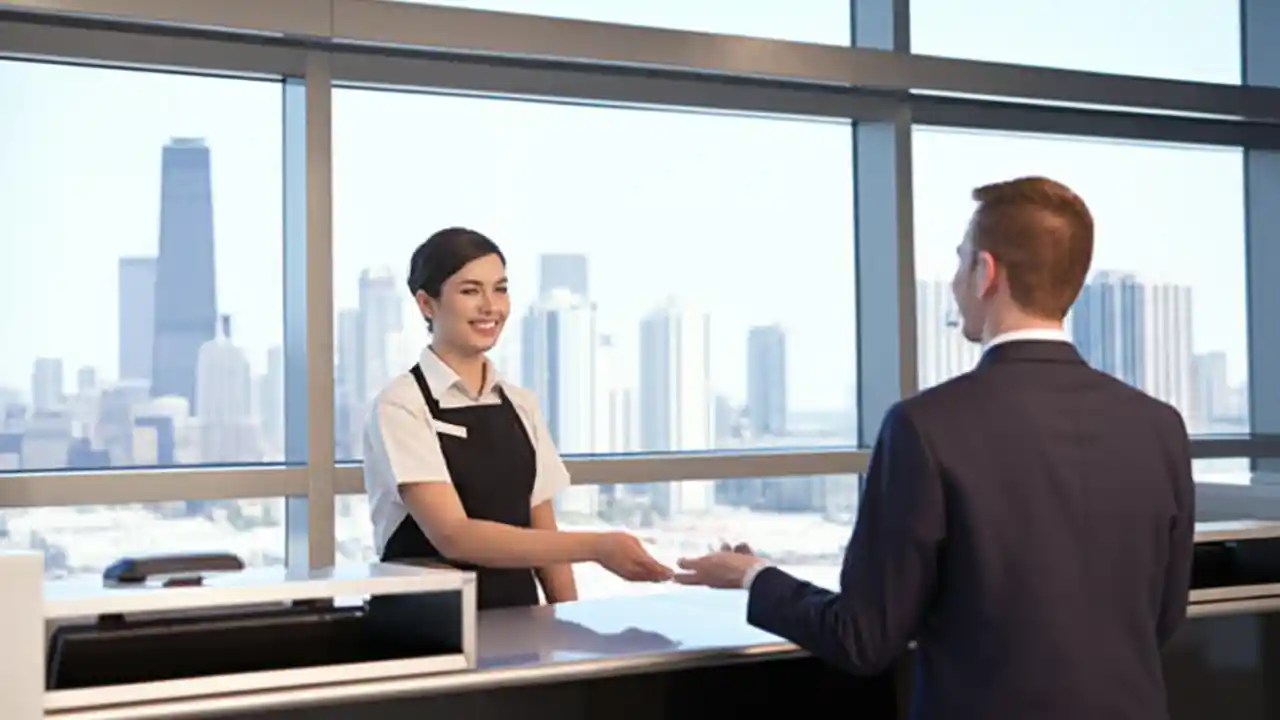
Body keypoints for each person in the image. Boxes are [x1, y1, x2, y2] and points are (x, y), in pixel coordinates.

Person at [674, 177, 1195, 719]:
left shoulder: (925, 428)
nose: (954, 281)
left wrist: (752, 577)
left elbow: (864, 637)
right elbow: (1161, 616)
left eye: (961, 261)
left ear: (986, 272)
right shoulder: (1159, 427)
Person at [363, 227, 672, 610]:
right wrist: (597, 546)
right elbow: (454, 536)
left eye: (500, 288)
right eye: (470, 291)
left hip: (520, 626)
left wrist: (568, 618)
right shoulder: (400, 405)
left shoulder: (520, 404)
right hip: (430, 633)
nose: (491, 306)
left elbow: (544, 532)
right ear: (427, 304)